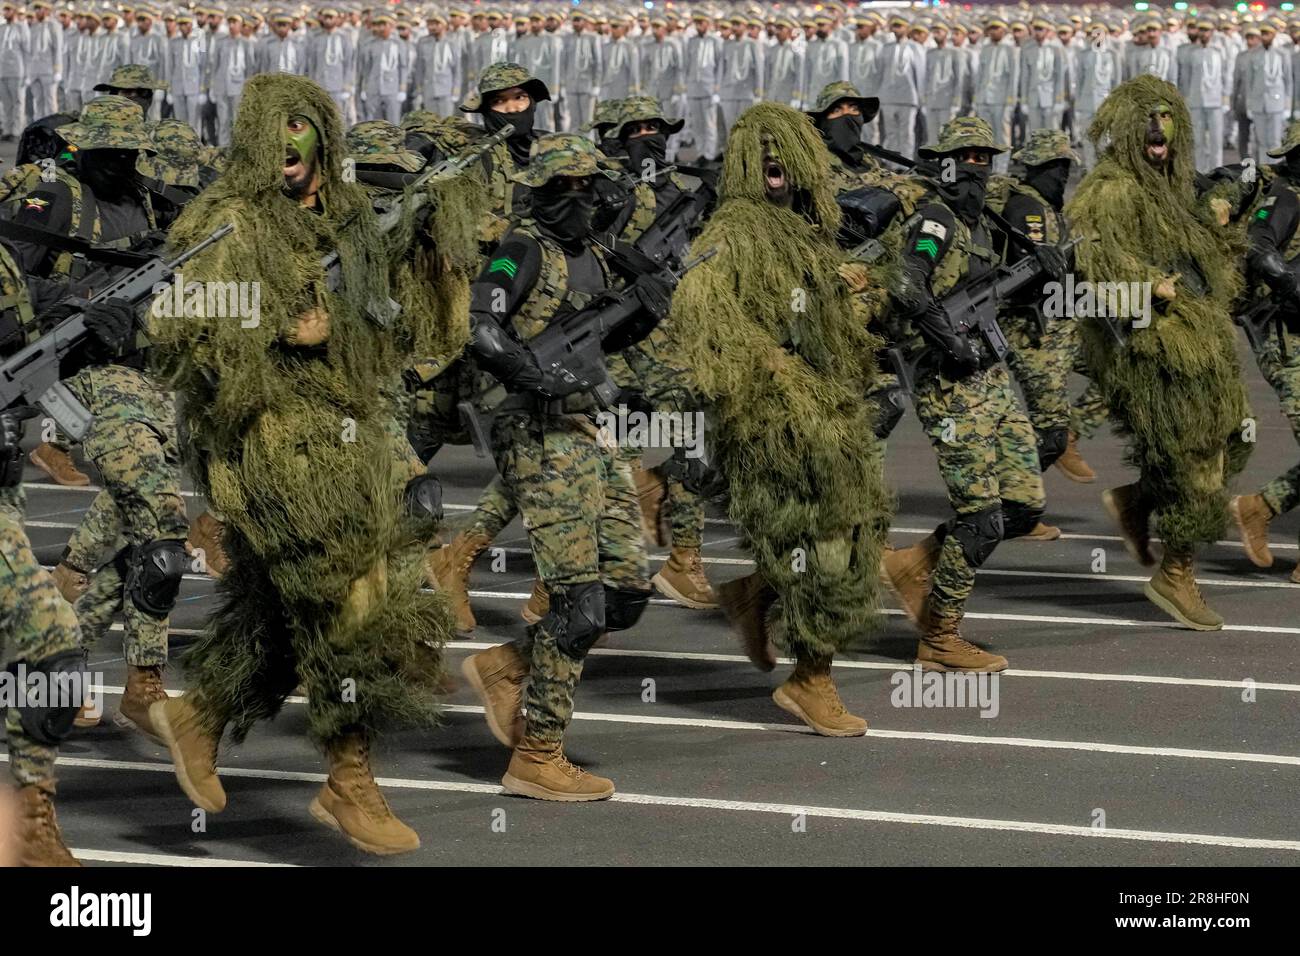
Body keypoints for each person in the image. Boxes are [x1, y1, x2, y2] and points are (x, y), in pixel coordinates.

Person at [146, 73, 453, 854]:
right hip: (273, 438)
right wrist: (279, 323)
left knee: (280, 606)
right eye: (272, 129)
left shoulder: (354, 216)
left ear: (323, 132)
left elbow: (396, 324)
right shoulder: (226, 220)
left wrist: (416, 265)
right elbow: (171, 318)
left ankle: (201, 712)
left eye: (300, 127)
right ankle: (349, 778)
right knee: (352, 594)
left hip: (356, 428)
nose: (286, 145)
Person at [668, 102, 891, 734]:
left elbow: (825, 318)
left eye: (784, 147)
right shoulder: (730, 234)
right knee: (820, 543)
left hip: (829, 409)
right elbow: (703, 315)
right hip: (771, 420)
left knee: (851, 530)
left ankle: (757, 593)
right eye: (761, 148)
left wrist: (853, 292)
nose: (774, 159)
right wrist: (772, 364)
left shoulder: (809, 228)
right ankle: (811, 678)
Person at [459, 133, 654, 799]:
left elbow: (603, 339)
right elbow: (481, 325)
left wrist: (643, 315)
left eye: (584, 189)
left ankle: (510, 666)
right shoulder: (523, 249)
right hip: (538, 433)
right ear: (537, 192)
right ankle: (537, 756)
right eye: (560, 190)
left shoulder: (596, 256)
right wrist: (533, 373)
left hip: (592, 429)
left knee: (625, 593)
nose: (575, 201)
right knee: (580, 601)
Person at [1067, 76, 1251, 629]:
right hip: (1150, 347)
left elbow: (1233, 183)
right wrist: (1147, 284)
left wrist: (1221, 201)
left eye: (1167, 117)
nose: (1157, 128)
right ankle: (1177, 572)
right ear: (1125, 126)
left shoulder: (1173, 184)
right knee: (1197, 460)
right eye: (1147, 117)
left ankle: (1140, 498)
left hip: (1198, 340)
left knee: (1239, 435)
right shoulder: (1111, 189)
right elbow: (1091, 262)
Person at [881, 118, 1053, 673]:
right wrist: (948, 340)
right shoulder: (936, 219)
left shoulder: (985, 225)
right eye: (967, 157)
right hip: (948, 383)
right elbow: (908, 284)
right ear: (945, 164)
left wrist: (1047, 271)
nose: (977, 167)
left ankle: (915, 567)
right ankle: (940, 634)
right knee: (981, 518)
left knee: (1023, 502)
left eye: (985, 157)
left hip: (991, 375)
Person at [1230, 119, 1300, 585]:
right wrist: (1291, 284)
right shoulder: (1287, 198)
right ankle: (1259, 507)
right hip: (1284, 337)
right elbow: (1259, 247)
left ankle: (1261, 506)